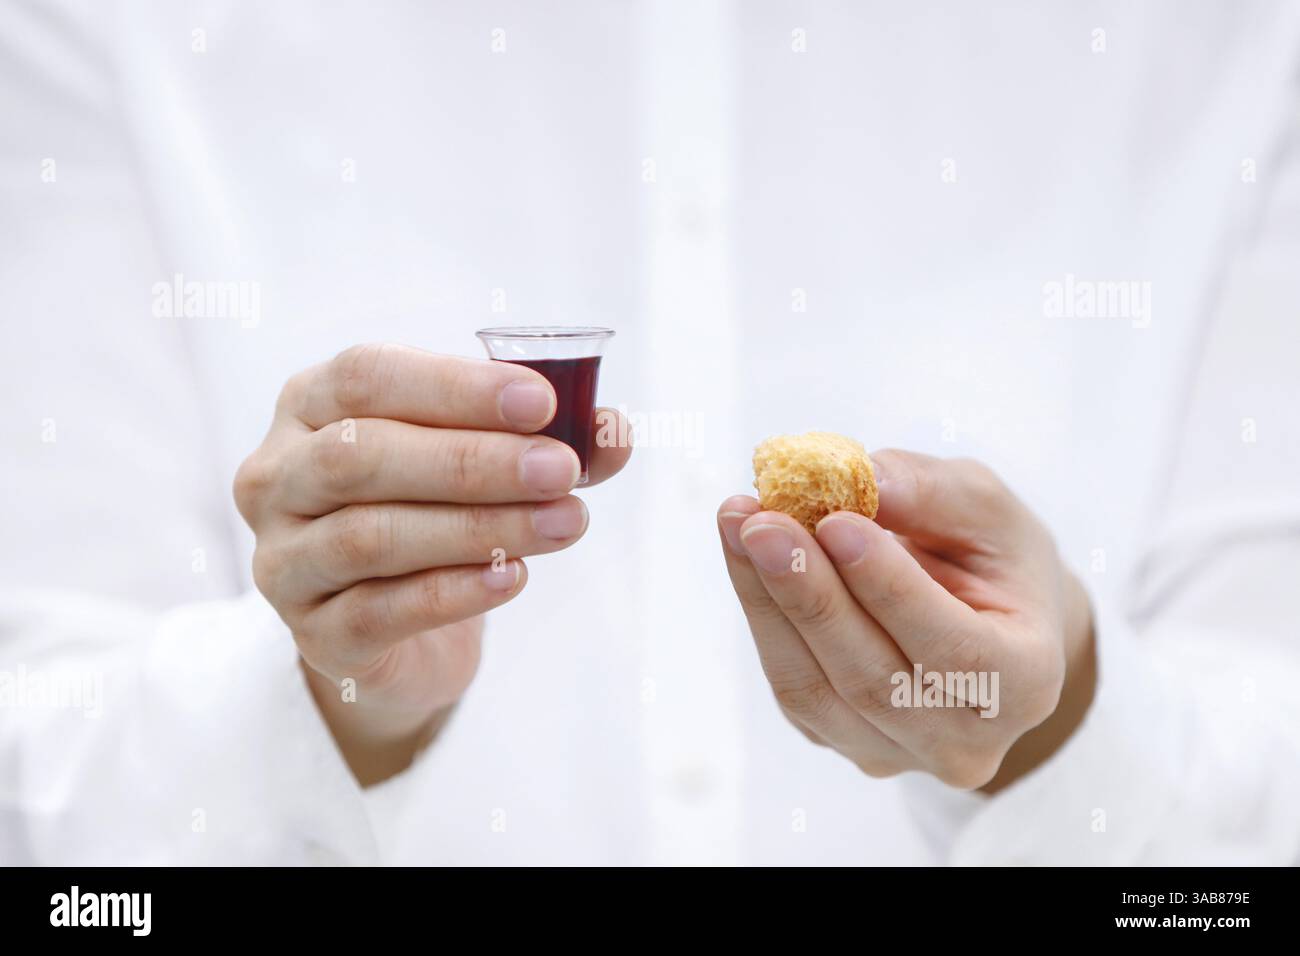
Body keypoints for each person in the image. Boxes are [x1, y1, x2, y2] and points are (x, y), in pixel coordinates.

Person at [3, 0, 1298, 865]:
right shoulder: (114, 31)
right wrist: (330, 705)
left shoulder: (1223, 43)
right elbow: (48, 817)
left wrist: (1062, 717)